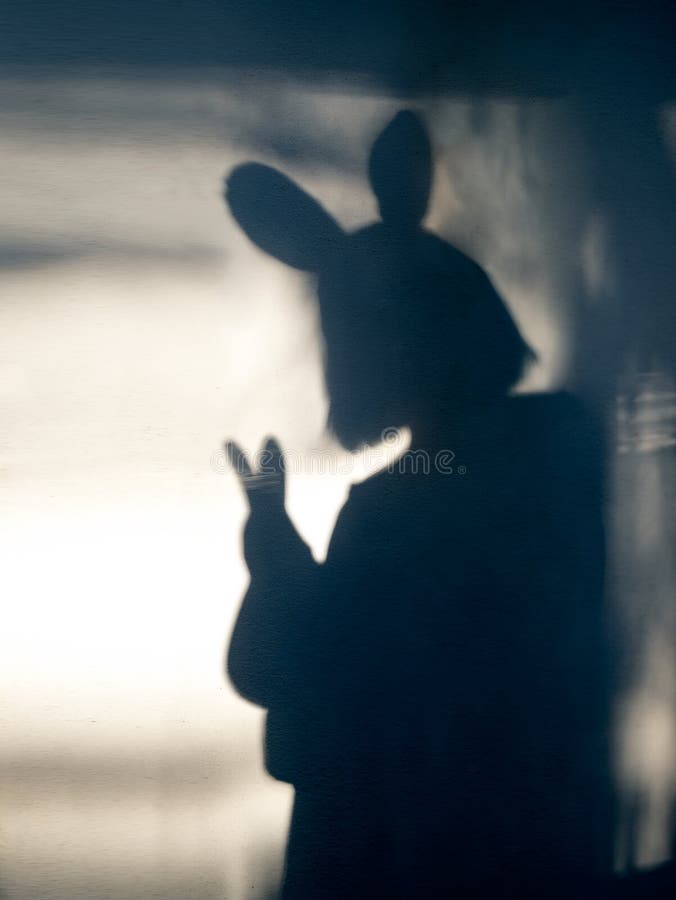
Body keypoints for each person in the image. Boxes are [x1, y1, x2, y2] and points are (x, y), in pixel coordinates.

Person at [225, 110, 612, 898]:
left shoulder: (399, 508)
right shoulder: (556, 455)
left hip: (397, 847)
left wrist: (274, 548)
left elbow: (286, 669)